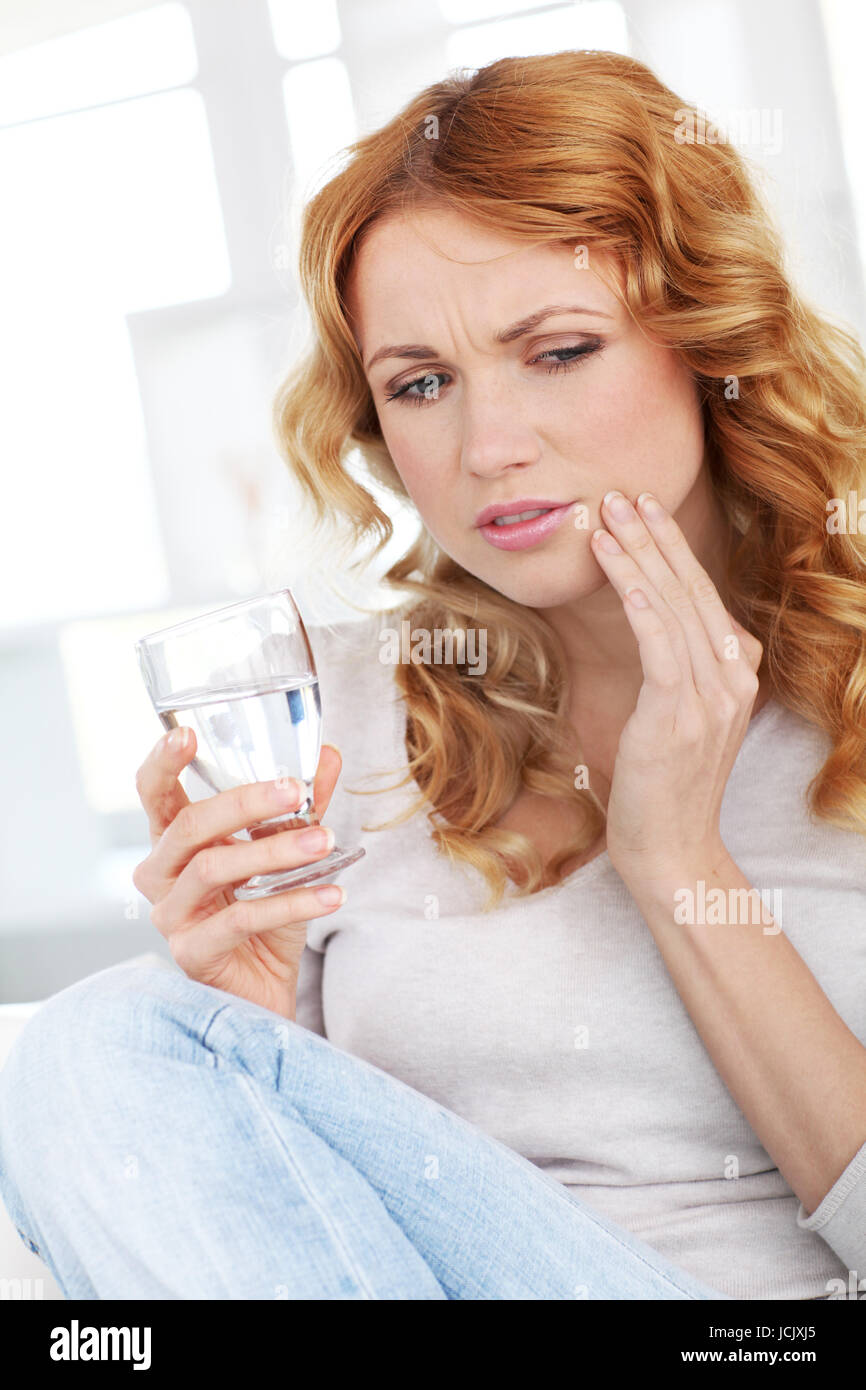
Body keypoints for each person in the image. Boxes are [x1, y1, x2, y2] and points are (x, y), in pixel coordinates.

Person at [2, 50, 866, 1301]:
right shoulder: (338, 718)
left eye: (558, 350)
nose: (488, 447)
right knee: (98, 1041)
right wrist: (257, 1031)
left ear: (704, 339)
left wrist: (676, 858)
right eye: (421, 384)